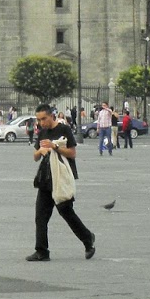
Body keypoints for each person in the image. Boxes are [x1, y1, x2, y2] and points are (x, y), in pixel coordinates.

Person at [25, 104, 96, 262]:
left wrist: (54, 147)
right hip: (46, 179)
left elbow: (72, 153)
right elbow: (35, 156)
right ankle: (42, 251)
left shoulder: (64, 130)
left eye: (44, 118)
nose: (42, 122)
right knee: (40, 217)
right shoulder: (42, 132)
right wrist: (40, 151)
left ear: (52, 116)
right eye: (39, 119)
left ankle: (88, 239)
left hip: (62, 178)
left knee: (67, 213)